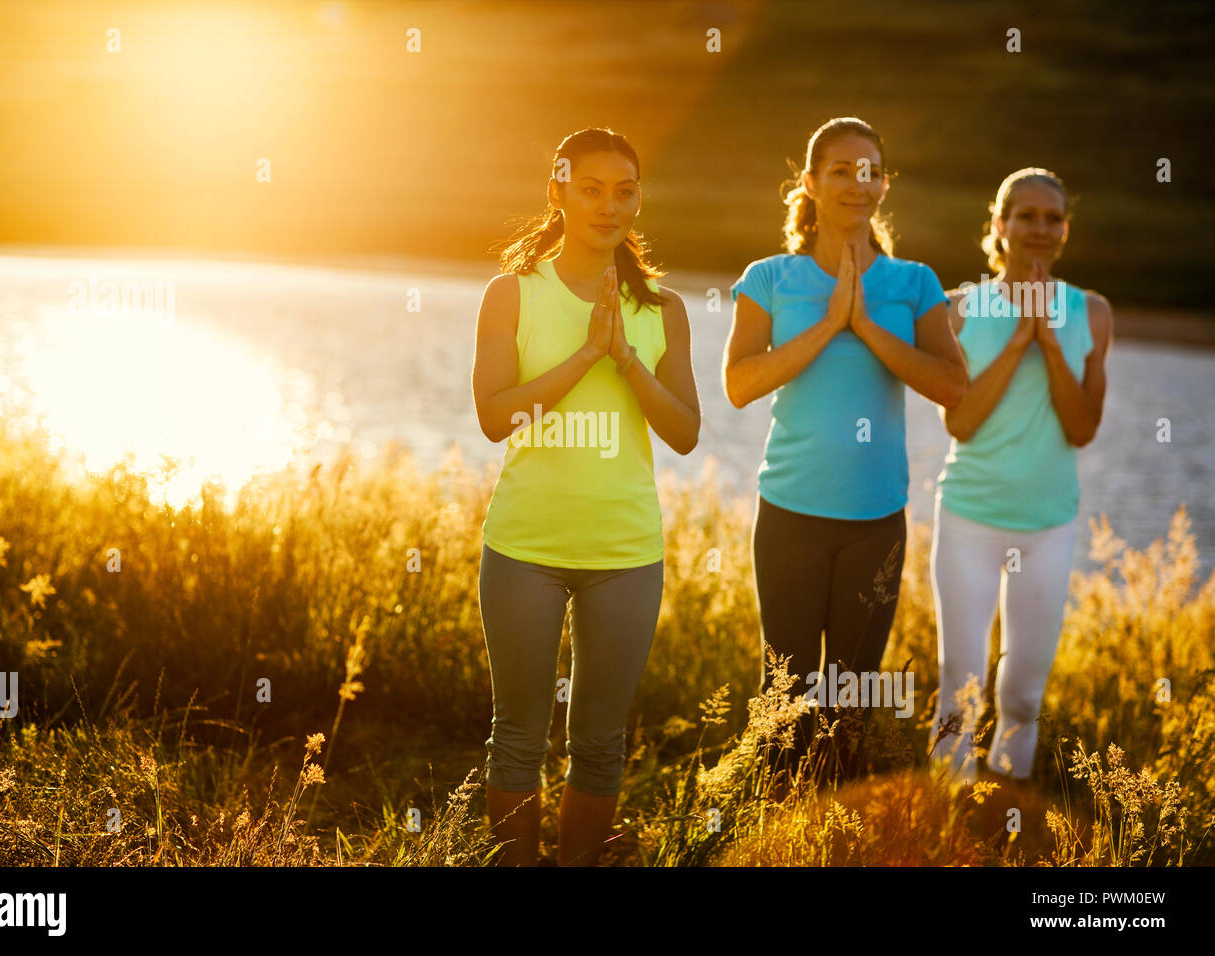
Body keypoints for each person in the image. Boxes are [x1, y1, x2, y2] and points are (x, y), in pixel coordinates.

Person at [471, 127, 700, 865]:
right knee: (517, 738)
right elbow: (496, 415)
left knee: (601, 742)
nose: (610, 206)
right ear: (558, 193)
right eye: (591, 189)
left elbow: (687, 432)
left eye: (625, 191)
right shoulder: (510, 294)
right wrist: (585, 355)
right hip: (524, 549)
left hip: (625, 554)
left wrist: (626, 359)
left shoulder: (664, 310)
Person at [723, 116, 966, 782]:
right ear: (809, 183)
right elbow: (739, 383)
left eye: (869, 172)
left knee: (851, 699)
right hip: (790, 516)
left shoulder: (914, 284)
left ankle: (835, 837)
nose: (857, 185)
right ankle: (777, 827)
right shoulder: (770, 277)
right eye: (840, 170)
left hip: (875, 523)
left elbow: (952, 386)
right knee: (790, 696)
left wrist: (867, 328)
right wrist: (831, 323)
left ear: (884, 184)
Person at [929, 168, 1112, 783]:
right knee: (961, 681)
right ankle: (943, 812)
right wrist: (1017, 343)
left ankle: (1008, 810)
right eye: (1025, 215)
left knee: (1026, 692)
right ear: (999, 226)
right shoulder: (960, 309)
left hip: (1048, 527)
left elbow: (1082, 428)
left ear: (1065, 231)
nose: (1039, 227)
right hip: (968, 520)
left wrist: (1051, 344)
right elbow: (962, 423)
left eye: (1052, 218)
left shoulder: (1092, 312)